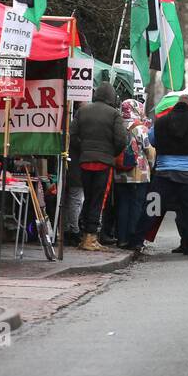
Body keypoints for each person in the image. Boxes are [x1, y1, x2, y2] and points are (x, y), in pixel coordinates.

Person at [148, 93, 188, 259]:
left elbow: (151, 138)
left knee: (152, 208)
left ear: (177, 105)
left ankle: (137, 240)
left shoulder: (161, 122)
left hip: (163, 174)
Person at [70, 82, 129, 251]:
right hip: (104, 163)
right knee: (99, 200)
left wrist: (84, 149)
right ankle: (91, 237)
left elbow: (72, 135)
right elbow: (121, 141)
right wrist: (110, 153)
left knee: (87, 198)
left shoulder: (83, 111)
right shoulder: (114, 115)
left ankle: (84, 236)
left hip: (85, 161)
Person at [114, 97, 154, 252]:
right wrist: (152, 163)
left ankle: (121, 238)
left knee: (122, 205)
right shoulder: (139, 127)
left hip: (120, 172)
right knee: (136, 206)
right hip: (138, 173)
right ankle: (133, 238)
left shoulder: (117, 124)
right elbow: (148, 150)